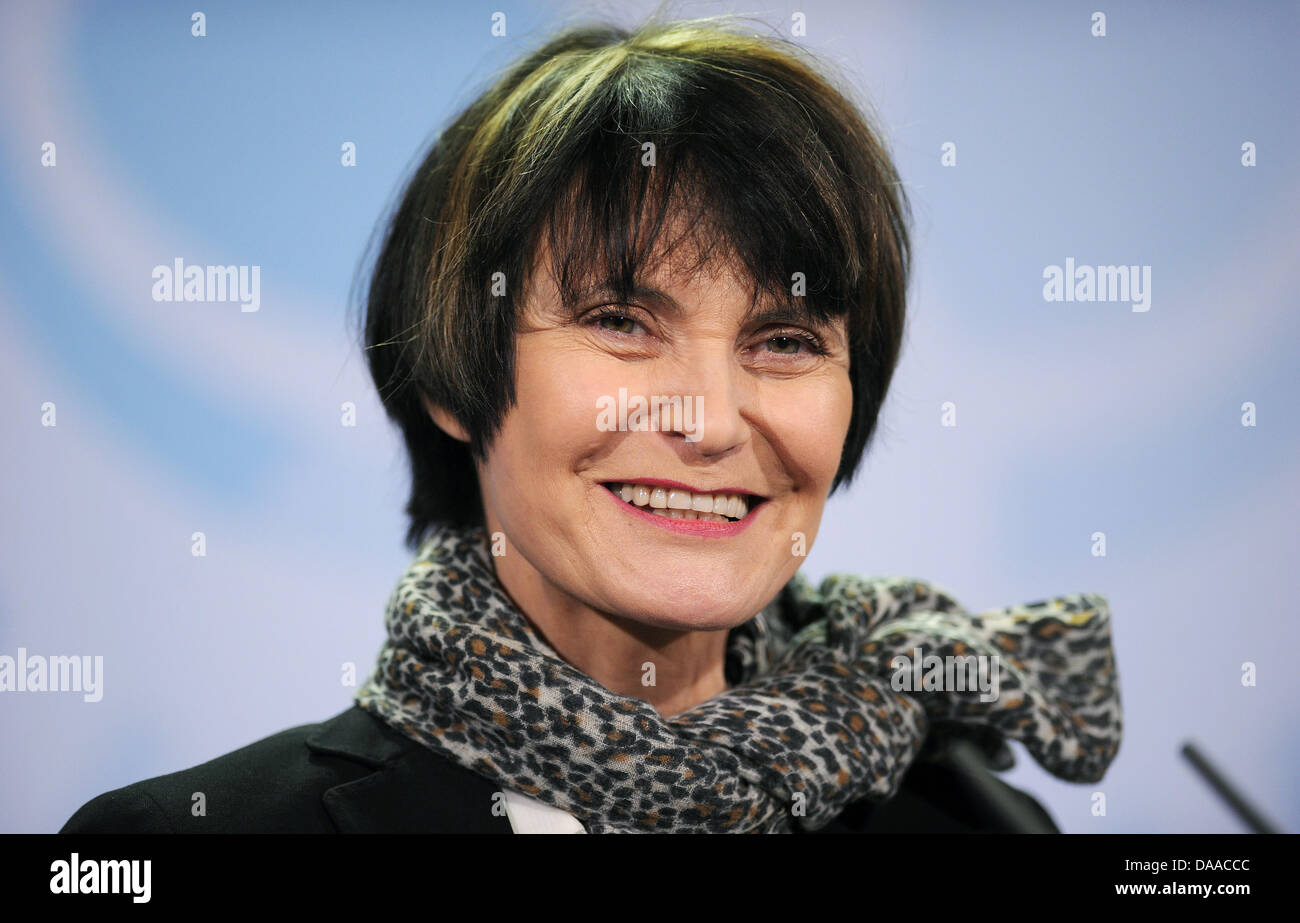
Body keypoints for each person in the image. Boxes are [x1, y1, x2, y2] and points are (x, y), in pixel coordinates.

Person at [60, 14, 1121, 835]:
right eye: (621, 320)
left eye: (785, 339)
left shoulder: (973, 818)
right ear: (449, 368)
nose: (708, 421)